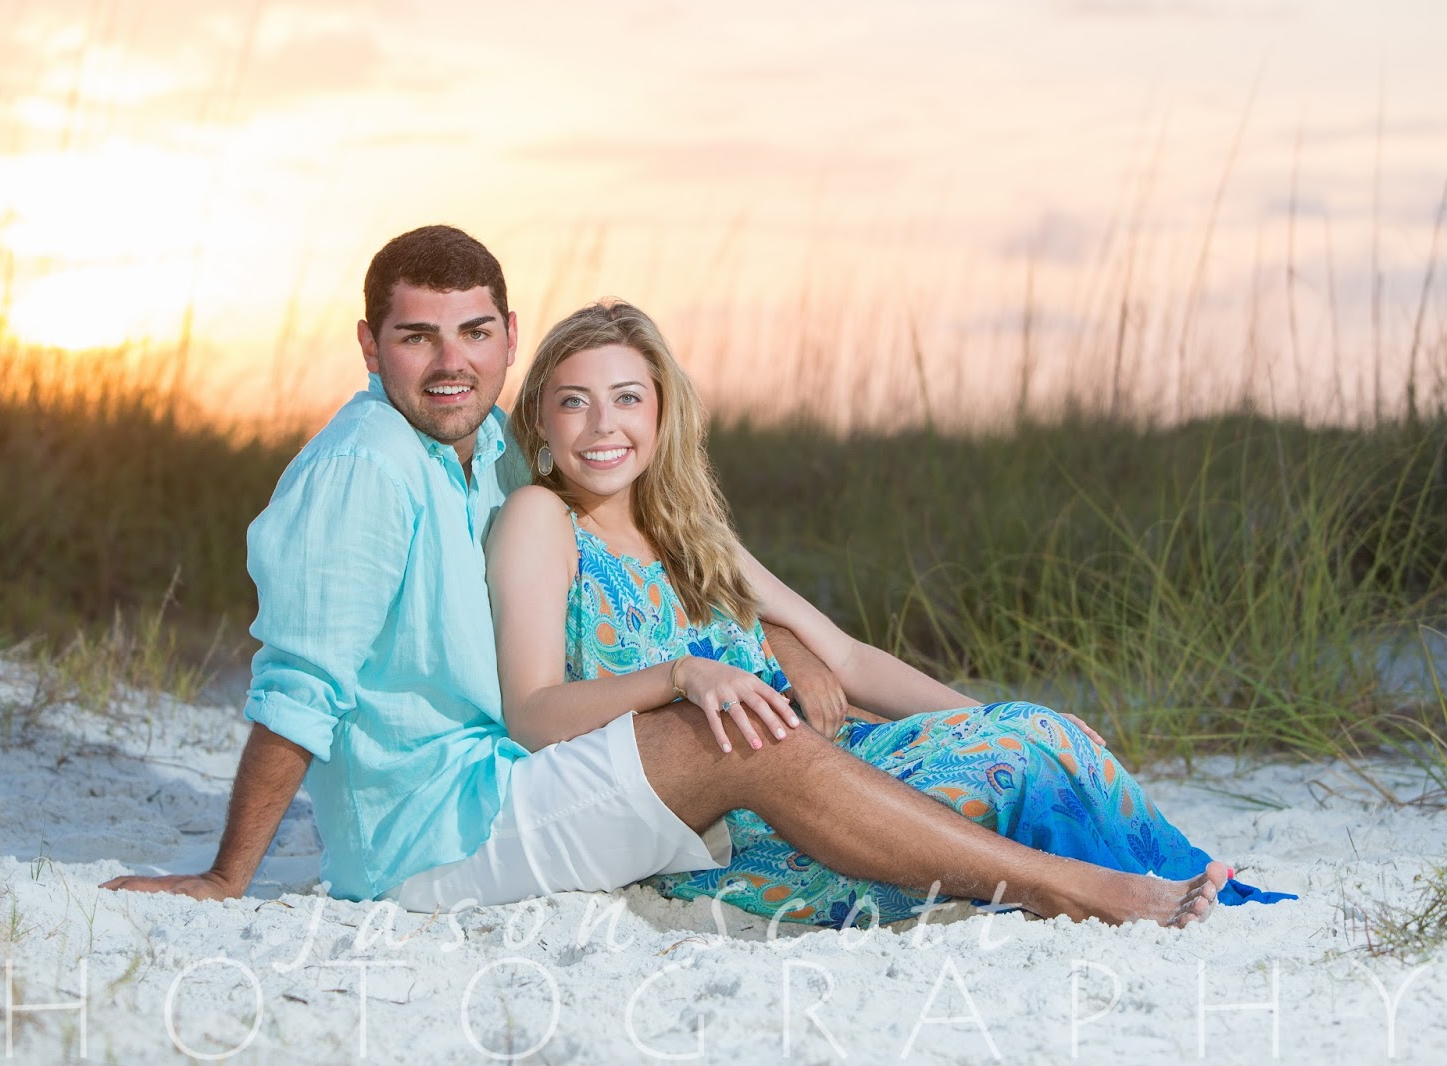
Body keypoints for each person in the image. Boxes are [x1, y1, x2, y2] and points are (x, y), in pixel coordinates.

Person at [101, 225, 1238, 928]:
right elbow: (302, 681)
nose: (449, 361)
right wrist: (224, 876)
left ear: (506, 342)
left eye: (474, 332)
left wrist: (778, 643)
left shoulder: (480, 444)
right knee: (731, 736)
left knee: (1002, 734)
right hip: (434, 831)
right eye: (416, 337)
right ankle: (1072, 890)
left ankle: (1066, 854)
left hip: (505, 781)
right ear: (367, 344)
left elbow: (635, 504)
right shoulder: (364, 470)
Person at [484, 298, 1289, 926]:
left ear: (661, 415)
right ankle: (1102, 890)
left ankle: (1174, 880)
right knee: (1006, 767)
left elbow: (850, 660)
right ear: (543, 424)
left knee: (1037, 735)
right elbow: (534, 712)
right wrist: (678, 675)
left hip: (830, 757)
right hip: (745, 815)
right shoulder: (542, 520)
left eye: (626, 398)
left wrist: (1001, 712)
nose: (603, 427)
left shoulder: (691, 536)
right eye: (574, 403)